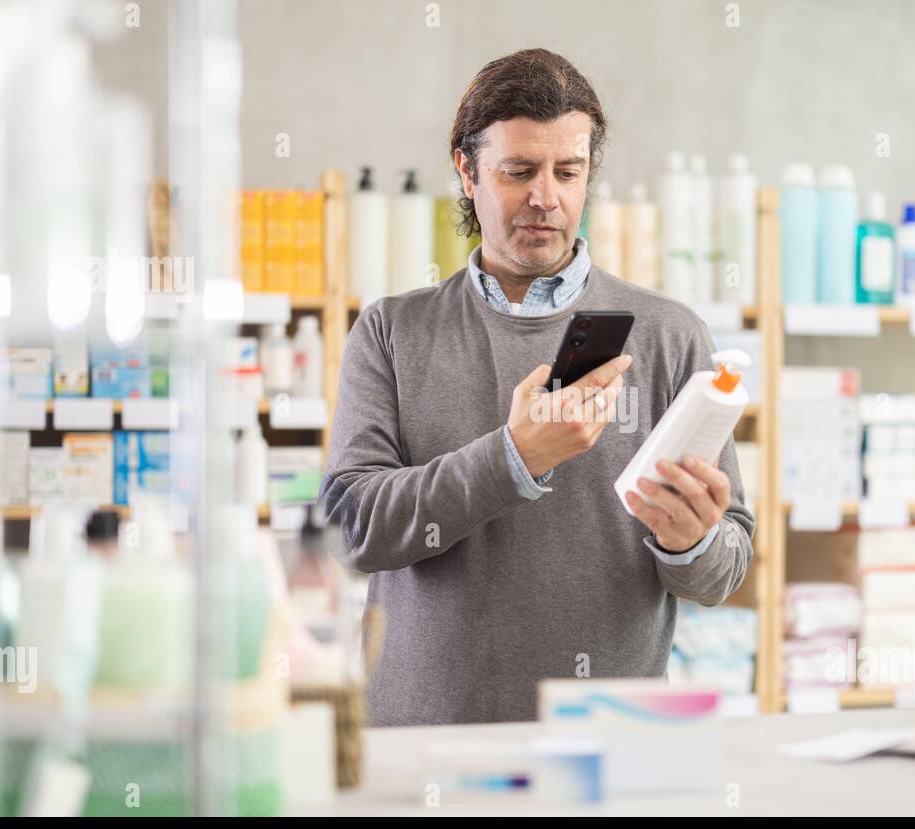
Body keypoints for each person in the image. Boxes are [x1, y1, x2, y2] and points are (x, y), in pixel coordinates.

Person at [320, 48, 754, 725]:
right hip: (425, 751)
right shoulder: (391, 332)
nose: (545, 197)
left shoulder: (671, 335)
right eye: (518, 171)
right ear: (467, 171)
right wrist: (513, 457)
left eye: (568, 172)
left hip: (609, 746)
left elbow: (725, 568)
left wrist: (691, 541)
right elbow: (353, 528)